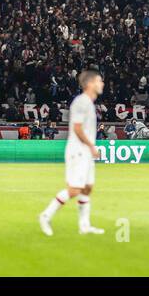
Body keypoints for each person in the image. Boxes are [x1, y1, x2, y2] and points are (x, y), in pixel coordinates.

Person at [39, 69, 104, 236]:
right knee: (75, 189)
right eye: (99, 81)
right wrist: (91, 146)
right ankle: (46, 216)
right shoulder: (81, 102)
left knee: (87, 187)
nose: (102, 84)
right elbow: (76, 128)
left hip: (86, 151)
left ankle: (84, 225)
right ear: (90, 84)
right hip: (79, 150)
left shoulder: (89, 103)